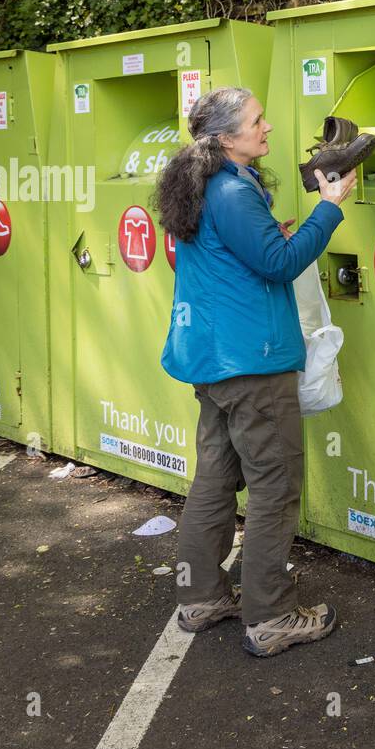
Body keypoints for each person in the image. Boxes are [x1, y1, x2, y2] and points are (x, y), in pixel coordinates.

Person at [155, 86, 355, 657]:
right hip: (251, 363)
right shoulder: (233, 192)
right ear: (225, 138)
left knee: (216, 478)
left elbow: (245, 256)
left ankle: (200, 597)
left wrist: (275, 237)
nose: (267, 128)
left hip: (212, 359)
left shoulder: (206, 184)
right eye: (257, 121)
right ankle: (269, 617)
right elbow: (279, 263)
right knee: (274, 485)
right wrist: (330, 209)